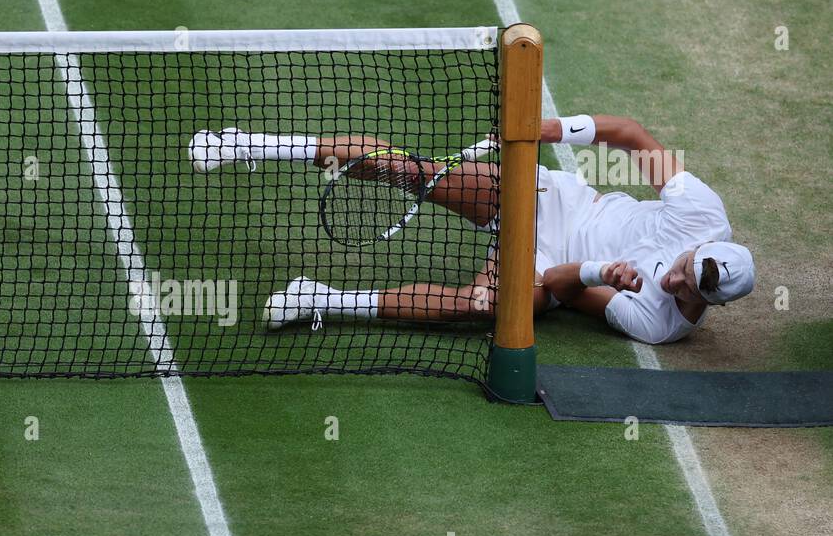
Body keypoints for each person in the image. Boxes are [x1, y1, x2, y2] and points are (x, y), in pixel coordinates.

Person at [188, 116, 754, 344]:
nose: (675, 282)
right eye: (684, 269)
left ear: (708, 303)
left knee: (488, 306)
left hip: (549, 264)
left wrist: (596, 272)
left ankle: (322, 299)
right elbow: (628, 135)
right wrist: (541, 128)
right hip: (551, 198)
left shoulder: (659, 326)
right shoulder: (702, 211)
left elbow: (558, 287)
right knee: (412, 172)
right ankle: (251, 145)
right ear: (705, 245)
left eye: (687, 290)